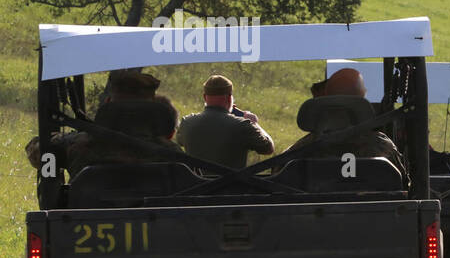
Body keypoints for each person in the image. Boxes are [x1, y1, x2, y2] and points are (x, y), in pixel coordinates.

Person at [26, 69, 183, 177]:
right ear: (154, 109)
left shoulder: (80, 145)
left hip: (83, 222)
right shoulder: (172, 153)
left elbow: (38, 151)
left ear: (108, 103)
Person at [285, 68, 406, 175]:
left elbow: (277, 185)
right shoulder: (381, 146)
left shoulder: (297, 153)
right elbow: (404, 187)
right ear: (361, 103)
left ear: (324, 101)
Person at [176, 75, 274, 170]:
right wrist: (254, 123)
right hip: (231, 186)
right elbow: (268, 148)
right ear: (229, 98)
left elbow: (179, 141)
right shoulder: (242, 126)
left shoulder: (186, 123)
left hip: (196, 185)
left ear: (205, 97)